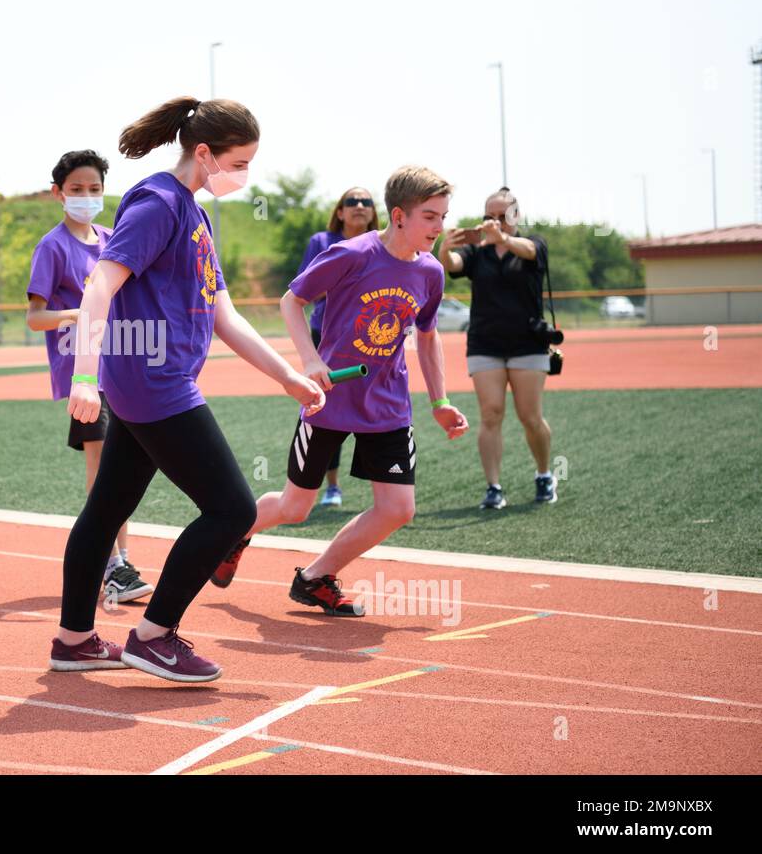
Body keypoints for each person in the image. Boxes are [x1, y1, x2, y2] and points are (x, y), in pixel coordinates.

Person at [48, 96, 324, 683]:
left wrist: (289, 376)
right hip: (153, 384)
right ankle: (153, 636)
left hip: (150, 383)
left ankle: (73, 640)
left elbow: (224, 316)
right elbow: (99, 286)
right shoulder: (157, 203)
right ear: (204, 153)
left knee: (106, 510)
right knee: (232, 510)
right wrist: (86, 376)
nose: (244, 176)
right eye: (239, 163)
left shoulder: (193, 215)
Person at [211, 166, 469, 614]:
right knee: (295, 507)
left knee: (397, 508)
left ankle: (315, 577)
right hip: (328, 401)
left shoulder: (430, 272)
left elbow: (427, 336)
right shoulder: (353, 254)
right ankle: (236, 532)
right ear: (399, 215)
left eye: (443, 216)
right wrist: (310, 361)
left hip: (388, 405)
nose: (439, 227)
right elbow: (292, 300)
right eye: (430, 216)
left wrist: (440, 402)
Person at [26, 149, 153, 604]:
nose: (86, 197)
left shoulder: (111, 237)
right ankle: (111, 565)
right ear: (58, 193)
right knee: (102, 467)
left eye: (94, 189)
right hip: (82, 374)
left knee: (121, 467)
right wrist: (79, 314)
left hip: (120, 366)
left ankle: (121, 561)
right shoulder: (52, 246)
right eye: (76, 190)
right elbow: (35, 318)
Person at [437, 187, 557, 508]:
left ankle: (544, 474)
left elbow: (530, 250)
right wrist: (445, 249)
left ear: (516, 216)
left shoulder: (533, 244)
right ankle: (494, 486)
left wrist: (502, 237)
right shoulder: (480, 254)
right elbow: (453, 265)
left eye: (502, 216)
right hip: (485, 342)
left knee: (530, 416)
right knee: (490, 414)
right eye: (489, 216)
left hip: (527, 343)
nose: (495, 222)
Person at [297, 187, 381, 507]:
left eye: (366, 202)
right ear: (341, 212)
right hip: (327, 340)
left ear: (374, 212)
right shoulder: (322, 242)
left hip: (370, 342)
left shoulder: (384, 246)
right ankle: (329, 486)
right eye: (352, 202)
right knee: (323, 408)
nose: (359, 206)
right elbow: (307, 287)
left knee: (370, 407)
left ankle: (383, 486)